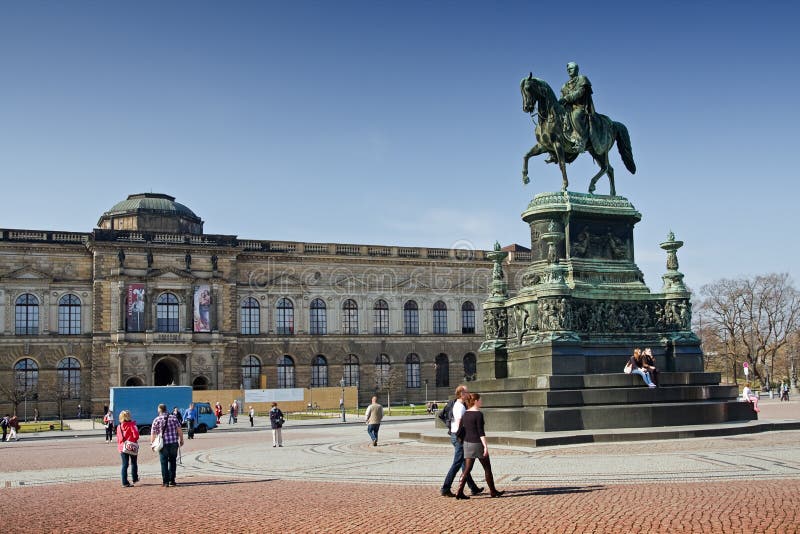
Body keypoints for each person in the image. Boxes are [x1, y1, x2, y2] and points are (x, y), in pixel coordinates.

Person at [455, 393, 504, 499]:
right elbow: (481, 432)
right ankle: (493, 491)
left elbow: (461, 429)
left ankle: (459, 492)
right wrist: (485, 446)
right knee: (487, 468)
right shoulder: (478, 414)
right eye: (480, 400)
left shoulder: (465, 414)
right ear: (476, 401)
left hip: (467, 444)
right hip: (477, 443)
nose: (481, 401)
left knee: (467, 469)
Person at [441, 385, 483, 498]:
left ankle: (473, 488)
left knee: (465, 464)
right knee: (457, 463)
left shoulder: (460, 405)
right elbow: (460, 423)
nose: (468, 393)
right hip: (458, 437)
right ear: (461, 393)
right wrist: (462, 437)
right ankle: (445, 488)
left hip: (457, 436)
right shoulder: (459, 407)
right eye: (466, 391)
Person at [559, 61, 595, 153]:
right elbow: (561, 97)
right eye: (568, 69)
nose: (569, 70)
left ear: (576, 69)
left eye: (571, 68)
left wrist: (567, 98)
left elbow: (580, 92)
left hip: (580, 107)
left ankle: (581, 141)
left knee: (576, 116)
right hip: (567, 108)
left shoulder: (582, 79)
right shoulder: (564, 85)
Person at [150, 403, 184, 487]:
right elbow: (179, 430)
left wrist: (152, 443)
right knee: (173, 461)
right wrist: (181, 439)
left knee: (164, 462)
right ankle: (172, 480)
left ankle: (165, 482)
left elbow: (153, 433)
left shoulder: (156, 420)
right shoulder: (174, 418)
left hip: (163, 443)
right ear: (166, 409)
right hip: (173, 442)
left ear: (159, 410)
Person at [116, 410, 140, 487]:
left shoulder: (119, 427)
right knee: (133, 463)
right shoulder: (132, 425)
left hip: (122, 447)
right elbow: (136, 436)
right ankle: (135, 478)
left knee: (125, 464)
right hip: (132, 446)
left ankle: (124, 482)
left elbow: (119, 438)